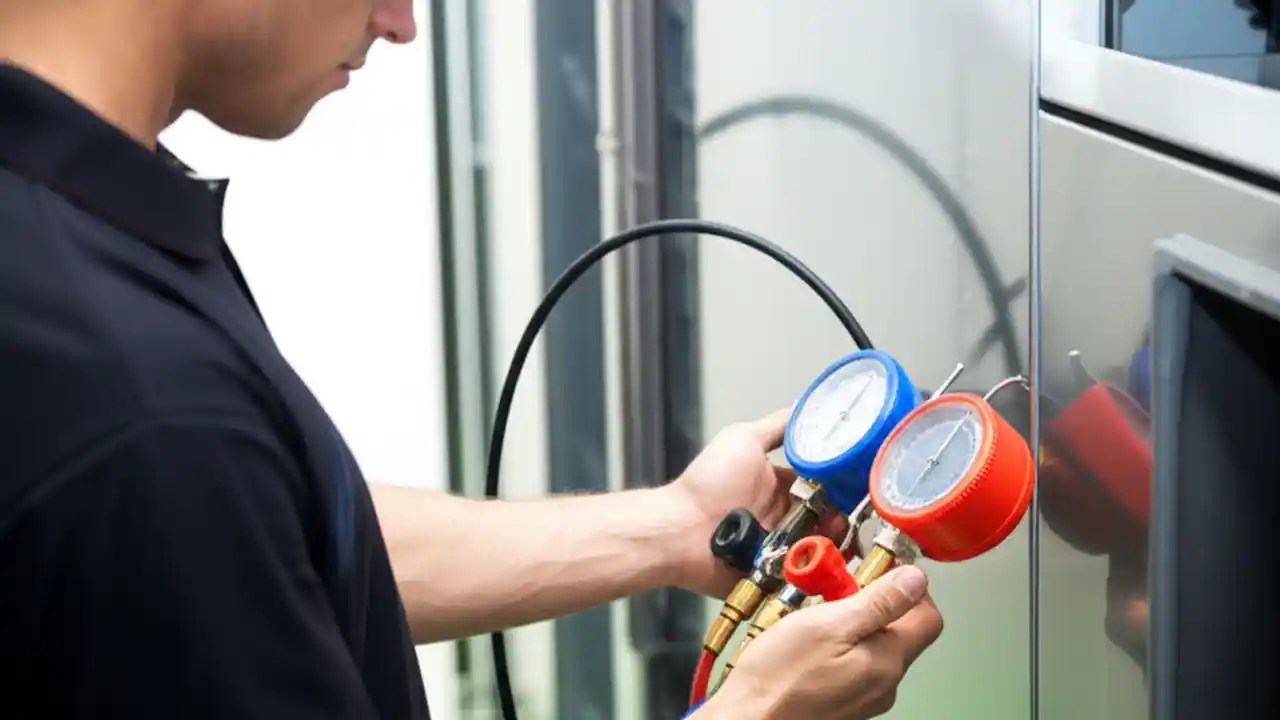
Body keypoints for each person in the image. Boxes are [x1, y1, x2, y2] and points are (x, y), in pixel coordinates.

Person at [0, 1, 943, 717]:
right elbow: (185, 491)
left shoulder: (66, 238)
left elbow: (255, 546)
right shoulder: (135, 399)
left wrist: (678, 526)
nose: (402, 23)